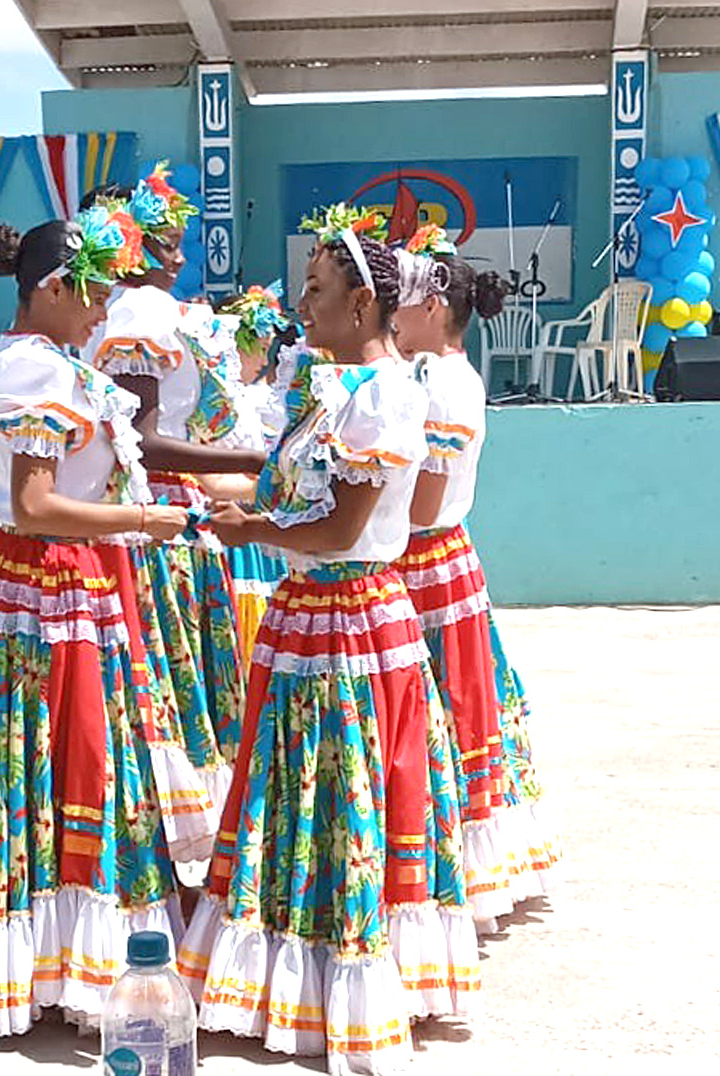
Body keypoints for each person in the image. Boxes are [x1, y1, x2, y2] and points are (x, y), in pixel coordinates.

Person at [177, 205, 479, 1075]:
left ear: (360, 308)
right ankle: (291, 972)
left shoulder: (386, 398)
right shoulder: (328, 387)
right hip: (309, 619)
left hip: (350, 619)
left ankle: (345, 972)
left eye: (316, 290)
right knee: (295, 791)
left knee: (341, 792)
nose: (301, 306)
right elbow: (286, 485)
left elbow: (341, 531)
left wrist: (251, 531)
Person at [0, 210, 198, 1035]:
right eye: (94, 295)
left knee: (46, 762)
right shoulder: (34, 373)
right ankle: (58, 963)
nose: (103, 313)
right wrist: (144, 524)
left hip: (51, 583)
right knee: (71, 756)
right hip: (48, 584)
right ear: (51, 289)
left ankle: (46, 958)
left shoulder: (33, 361)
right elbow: (37, 505)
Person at [391, 225, 562, 927]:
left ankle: (455, 865)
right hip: (437, 560)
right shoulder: (440, 376)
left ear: (433, 309)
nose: (391, 316)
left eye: (398, 303)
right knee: (458, 707)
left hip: (423, 561)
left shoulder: (439, 382)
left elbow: (425, 501)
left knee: (447, 713)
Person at [81, 165, 258, 820]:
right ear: (131, 246)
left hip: (161, 503)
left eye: (183, 242)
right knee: (173, 662)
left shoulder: (132, 313)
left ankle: (175, 816)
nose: (180, 257)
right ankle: (180, 814)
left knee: (175, 657)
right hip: (159, 507)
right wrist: (249, 457)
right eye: (164, 244)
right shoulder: (137, 316)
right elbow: (146, 440)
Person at [210, 281, 292, 662]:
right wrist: (266, 487)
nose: (264, 361)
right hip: (233, 526)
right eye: (259, 349)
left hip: (254, 526)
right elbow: (207, 478)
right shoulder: (216, 401)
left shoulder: (252, 398)